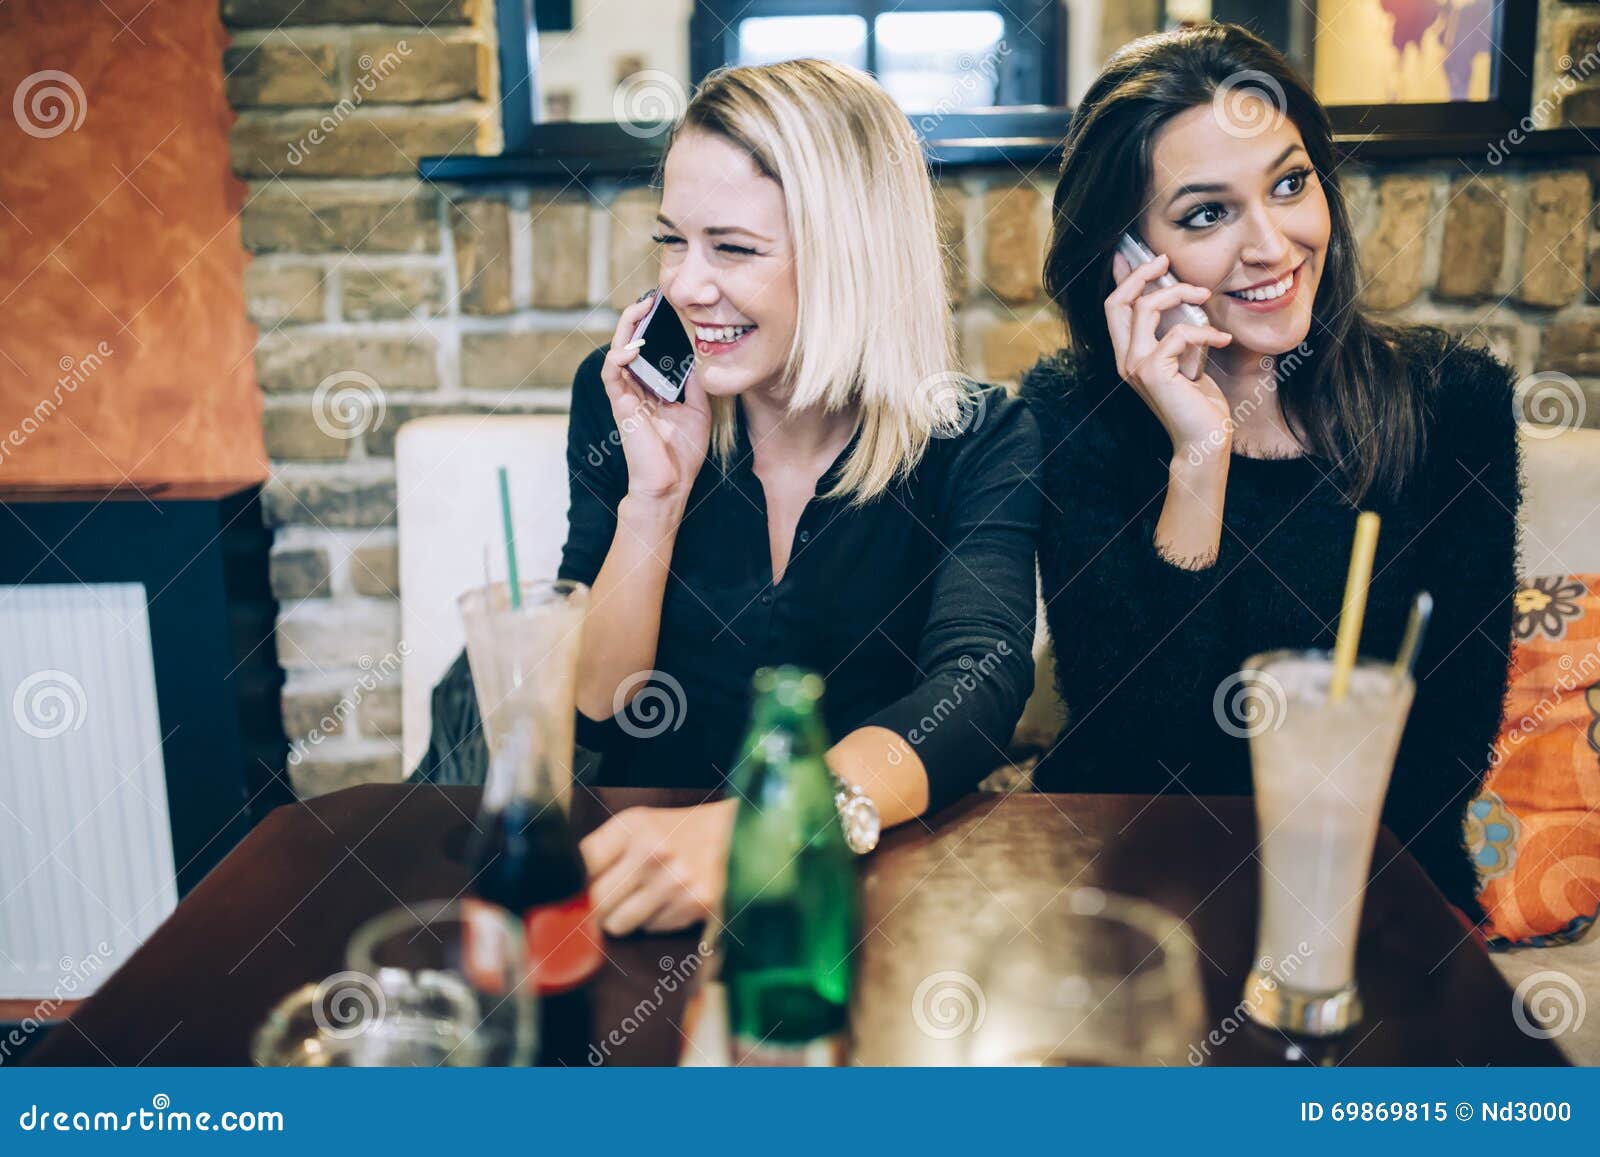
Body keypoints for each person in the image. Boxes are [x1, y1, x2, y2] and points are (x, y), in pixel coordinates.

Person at [414, 58, 1041, 935]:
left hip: (856, 893)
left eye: (733, 248)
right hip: (633, 881)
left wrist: (773, 829)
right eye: (673, 239)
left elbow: (978, 682)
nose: (685, 284)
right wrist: (654, 498)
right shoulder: (624, 401)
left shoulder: (974, 438)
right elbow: (600, 698)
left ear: (851, 258)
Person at [1020, 24, 1519, 922]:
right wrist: (1200, 461)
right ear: (1127, 260)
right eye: (1207, 213)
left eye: (1290, 185)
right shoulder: (1072, 420)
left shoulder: (1455, 407)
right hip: (1139, 897)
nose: (1272, 245)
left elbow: (1442, 760)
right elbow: (1140, 761)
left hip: (1376, 892)